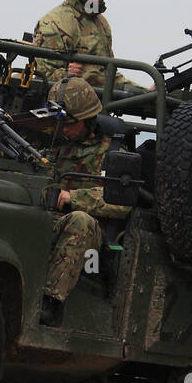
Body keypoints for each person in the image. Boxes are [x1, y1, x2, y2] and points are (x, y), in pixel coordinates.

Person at [38, 77, 132, 325]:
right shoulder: (55, 148)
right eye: (61, 123)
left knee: (80, 221)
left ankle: (51, 302)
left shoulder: (113, 155)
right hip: (51, 218)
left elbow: (121, 201)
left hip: (92, 233)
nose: (65, 130)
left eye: (71, 124)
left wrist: (72, 198)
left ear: (89, 119)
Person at [33, 0, 142, 90]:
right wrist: (68, 75)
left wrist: (144, 91)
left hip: (100, 103)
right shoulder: (55, 23)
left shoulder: (101, 24)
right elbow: (43, 77)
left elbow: (110, 75)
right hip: (68, 104)